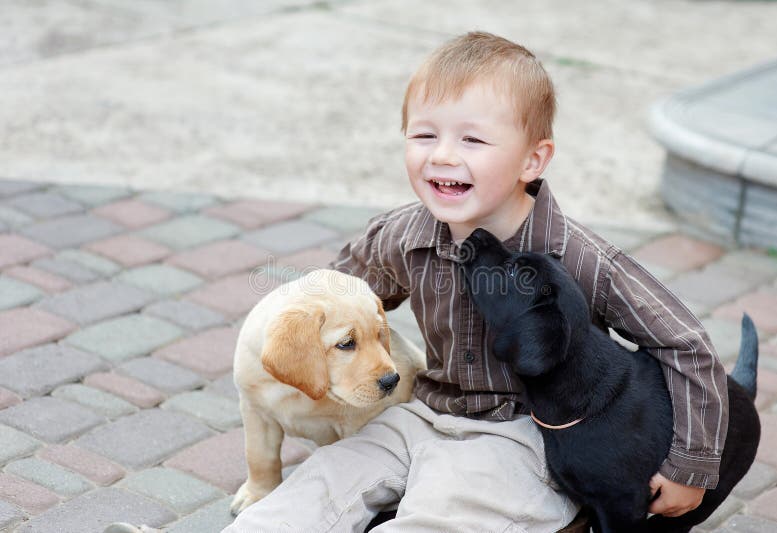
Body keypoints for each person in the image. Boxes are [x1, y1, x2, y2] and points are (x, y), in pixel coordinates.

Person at [224, 31, 727, 532]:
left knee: (452, 510)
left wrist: (691, 465)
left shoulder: (579, 258)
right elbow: (341, 302)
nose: (442, 155)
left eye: (472, 139)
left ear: (532, 159)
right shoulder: (400, 237)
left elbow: (685, 344)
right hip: (423, 413)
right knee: (324, 481)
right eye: (424, 136)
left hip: (524, 435)